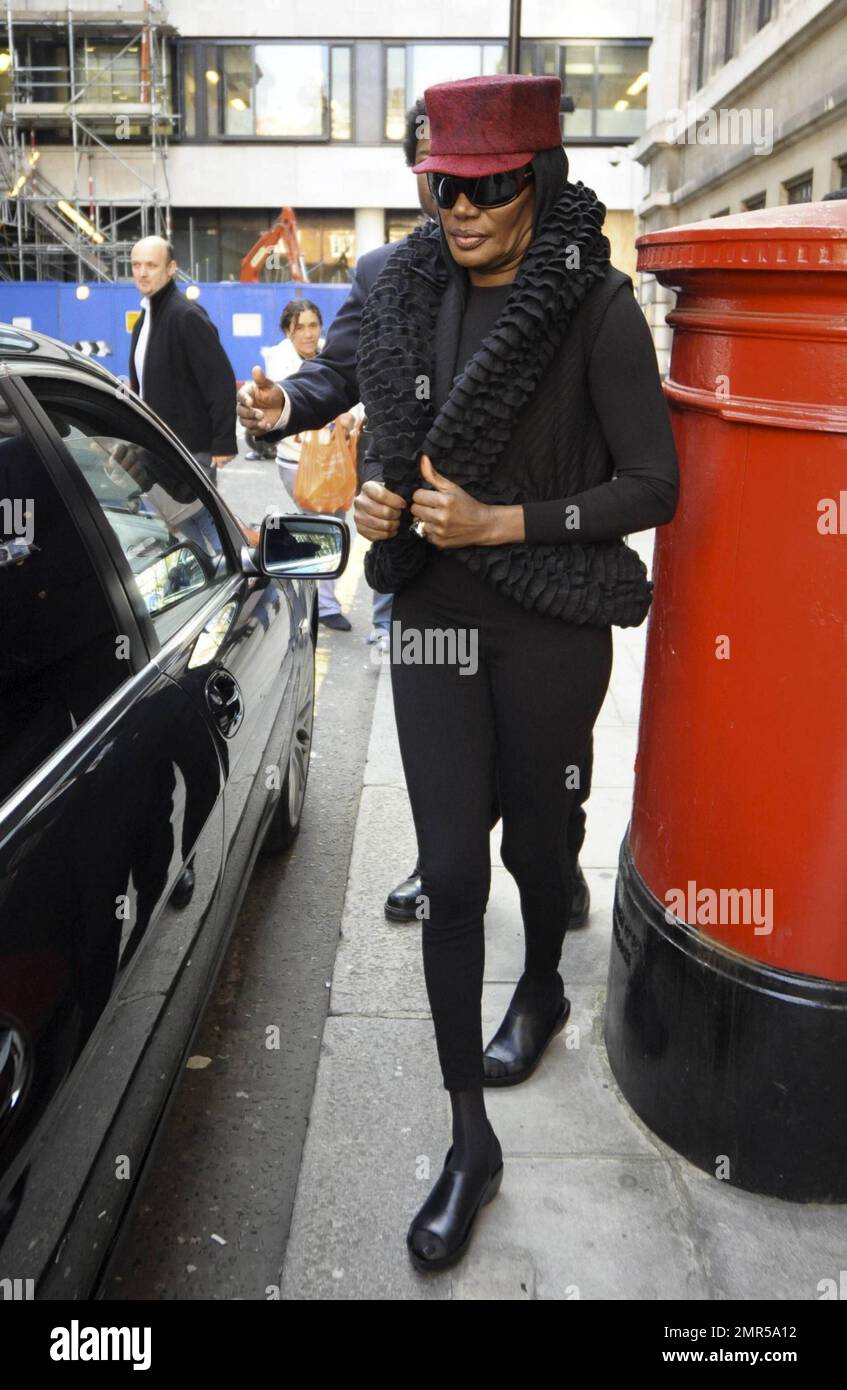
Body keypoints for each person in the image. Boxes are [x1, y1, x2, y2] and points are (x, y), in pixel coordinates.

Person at [352, 73, 679, 1272]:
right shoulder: (405, 295)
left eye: (488, 187)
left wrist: (508, 524)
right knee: (446, 868)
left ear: (537, 178)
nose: (462, 209)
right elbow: (388, 435)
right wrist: (381, 495)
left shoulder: (595, 309)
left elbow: (654, 487)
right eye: (443, 186)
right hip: (433, 619)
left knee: (537, 848)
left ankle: (540, 979)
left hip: (549, 627)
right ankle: (466, 1139)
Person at [237, 99, 596, 932]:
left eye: (486, 171)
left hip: (527, 543)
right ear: (424, 177)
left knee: (546, 746)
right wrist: (281, 402)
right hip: (418, 545)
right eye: (443, 171)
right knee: (445, 739)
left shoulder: (553, 269)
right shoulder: (384, 272)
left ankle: (554, 855)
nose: (463, 190)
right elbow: (339, 373)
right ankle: (445, 860)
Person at [270, 298, 356, 631]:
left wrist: (350, 416)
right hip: (298, 461)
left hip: (334, 459)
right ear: (287, 331)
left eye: (313, 325)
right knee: (324, 527)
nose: (308, 333)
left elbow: (355, 398)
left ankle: (311, 599)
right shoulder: (280, 362)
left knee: (327, 525)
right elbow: (289, 410)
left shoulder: (330, 354)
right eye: (299, 327)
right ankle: (322, 604)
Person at [128, 236, 237, 486]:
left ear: (171, 268)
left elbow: (219, 379)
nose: (142, 273)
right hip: (156, 446)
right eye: (136, 265)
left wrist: (223, 442)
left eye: (151, 265)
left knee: (197, 522)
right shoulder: (143, 320)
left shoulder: (186, 316)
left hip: (189, 450)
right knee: (169, 522)